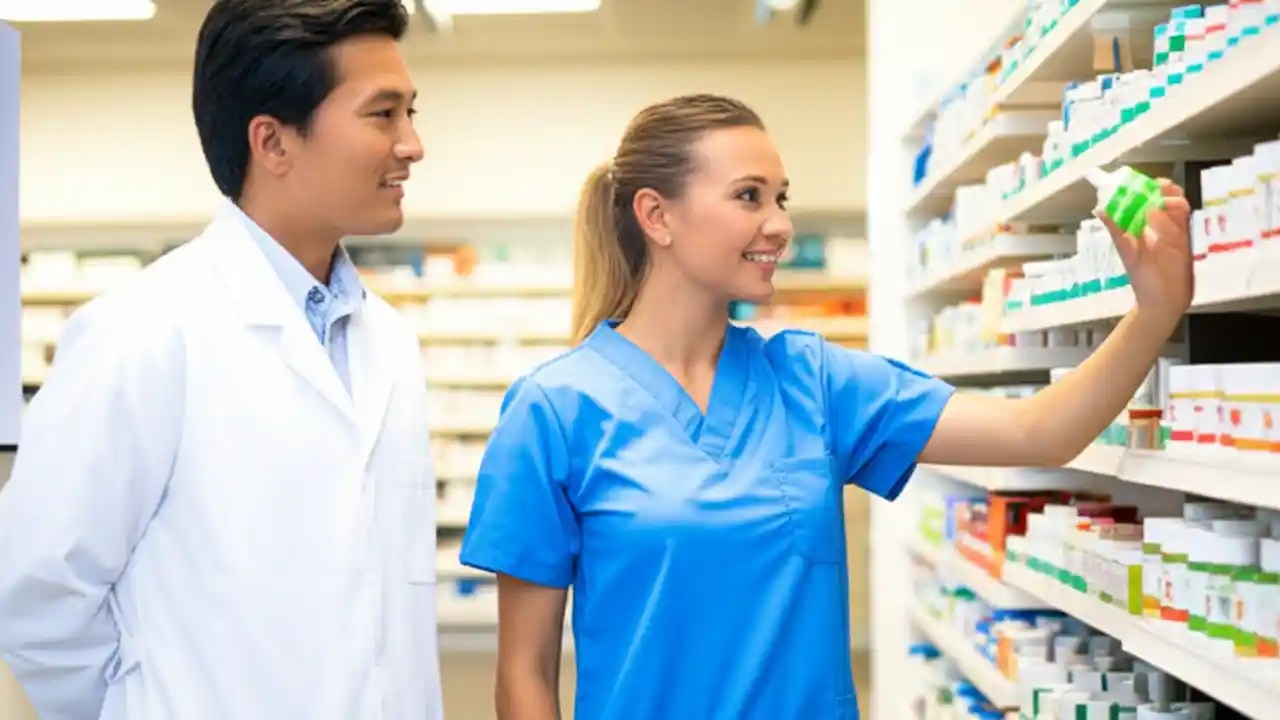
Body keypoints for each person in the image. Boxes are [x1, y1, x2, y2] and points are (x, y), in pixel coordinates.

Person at [458, 93, 1192, 719]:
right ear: (657, 215)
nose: (779, 223)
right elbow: (524, 673)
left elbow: (1040, 432)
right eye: (749, 196)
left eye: (782, 198)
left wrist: (1157, 310)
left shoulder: (813, 381)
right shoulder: (555, 410)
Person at [0, 1, 443, 718]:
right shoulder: (142, 331)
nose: (413, 144)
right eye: (382, 114)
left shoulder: (387, 342)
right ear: (272, 143)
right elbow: (38, 593)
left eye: (411, 112)